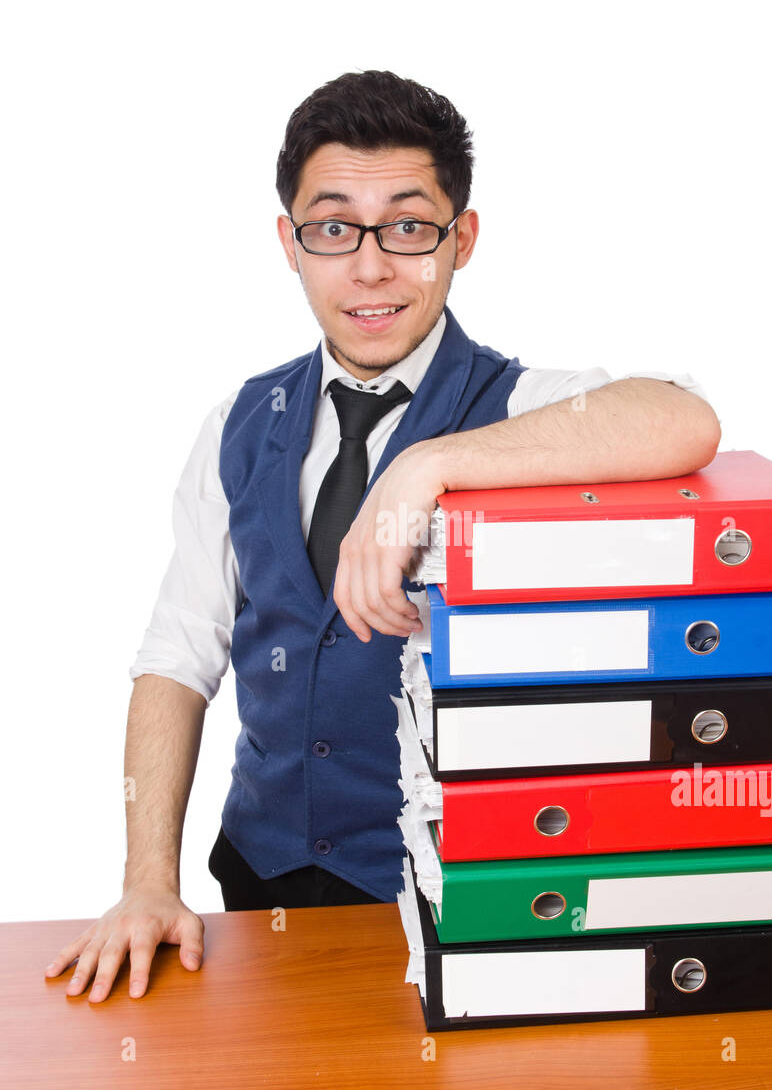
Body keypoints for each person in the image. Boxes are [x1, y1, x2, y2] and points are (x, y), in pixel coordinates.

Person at [45, 69, 721, 1003]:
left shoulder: (519, 406)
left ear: (461, 240)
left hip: (451, 892)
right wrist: (147, 881)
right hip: (260, 879)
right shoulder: (239, 422)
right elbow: (178, 655)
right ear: (290, 243)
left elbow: (680, 419)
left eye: (408, 227)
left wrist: (424, 465)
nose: (371, 268)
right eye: (333, 228)